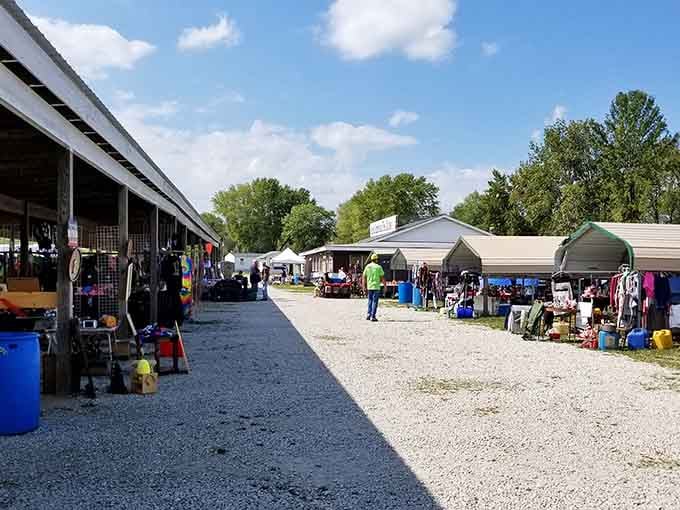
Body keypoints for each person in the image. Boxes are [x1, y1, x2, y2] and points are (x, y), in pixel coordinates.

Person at [363, 254, 385, 321]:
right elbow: (382, 277)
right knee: (375, 301)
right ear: (376, 260)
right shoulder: (379, 267)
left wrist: (364, 286)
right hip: (376, 286)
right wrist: (385, 286)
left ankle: (368, 314)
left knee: (370, 300)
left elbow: (364, 277)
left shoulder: (367, 267)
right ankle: (373, 316)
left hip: (369, 286)